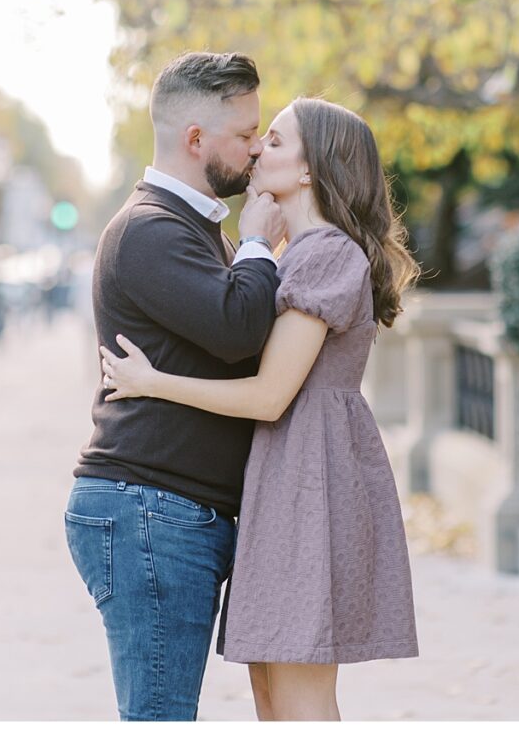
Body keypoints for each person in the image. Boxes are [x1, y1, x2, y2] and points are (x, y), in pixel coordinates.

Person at [99, 97, 421, 721]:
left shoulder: (327, 252)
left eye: (273, 140)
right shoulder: (294, 252)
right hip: (283, 478)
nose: (255, 150)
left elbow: (271, 395)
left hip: (310, 481)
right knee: (273, 699)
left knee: (299, 700)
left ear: (309, 168)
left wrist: (154, 382)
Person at [67, 51, 287, 721]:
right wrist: (257, 242)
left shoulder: (191, 228)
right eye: (245, 133)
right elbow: (237, 329)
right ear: (196, 139)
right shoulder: (150, 230)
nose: (257, 147)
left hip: (168, 510)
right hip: (151, 510)